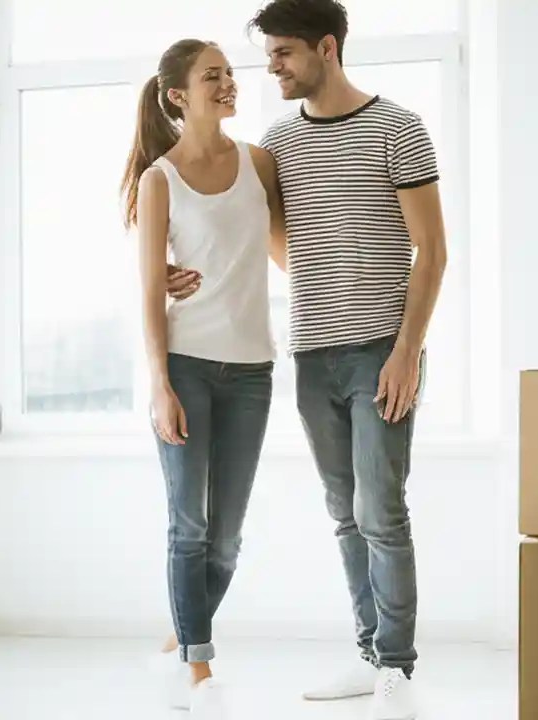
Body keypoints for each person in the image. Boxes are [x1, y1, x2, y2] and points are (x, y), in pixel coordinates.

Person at [170, 1, 448, 717]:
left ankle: (397, 666)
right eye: (269, 55)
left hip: (383, 350)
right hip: (310, 353)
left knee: (381, 509)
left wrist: (406, 351)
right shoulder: (275, 147)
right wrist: (173, 270)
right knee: (343, 511)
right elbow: (232, 221)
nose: (273, 68)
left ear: (327, 47)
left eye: (285, 53)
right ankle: (368, 653)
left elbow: (433, 250)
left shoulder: (399, 129)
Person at [120, 37, 286, 719]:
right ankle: (199, 661)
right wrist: (160, 384)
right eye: (211, 76)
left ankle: (185, 628)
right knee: (188, 526)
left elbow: (284, 253)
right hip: (185, 367)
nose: (228, 84)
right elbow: (149, 293)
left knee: (227, 535)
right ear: (178, 96)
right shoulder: (159, 178)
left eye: (229, 74)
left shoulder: (258, 162)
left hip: (252, 369)